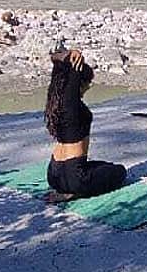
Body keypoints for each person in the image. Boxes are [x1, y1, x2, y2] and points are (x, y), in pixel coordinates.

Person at [45, 49, 126, 198]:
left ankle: (68, 190)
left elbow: (56, 62)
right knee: (120, 171)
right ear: (79, 82)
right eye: (87, 83)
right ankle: (75, 192)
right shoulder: (71, 103)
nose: (89, 87)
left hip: (53, 174)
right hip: (74, 178)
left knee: (103, 166)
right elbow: (74, 71)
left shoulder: (55, 100)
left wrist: (67, 55)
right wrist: (75, 56)